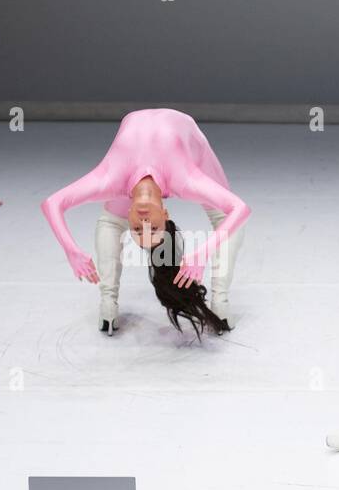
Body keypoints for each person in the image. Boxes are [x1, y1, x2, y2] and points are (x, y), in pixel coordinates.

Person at [40, 108, 249, 335]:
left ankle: (108, 301)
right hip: (188, 132)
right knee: (224, 216)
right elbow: (240, 208)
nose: (144, 220)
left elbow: (52, 202)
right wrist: (202, 253)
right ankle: (220, 302)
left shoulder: (110, 179)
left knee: (111, 218)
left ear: (129, 217)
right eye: (153, 227)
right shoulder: (185, 180)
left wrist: (72, 251)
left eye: (138, 229)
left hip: (133, 139)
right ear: (165, 214)